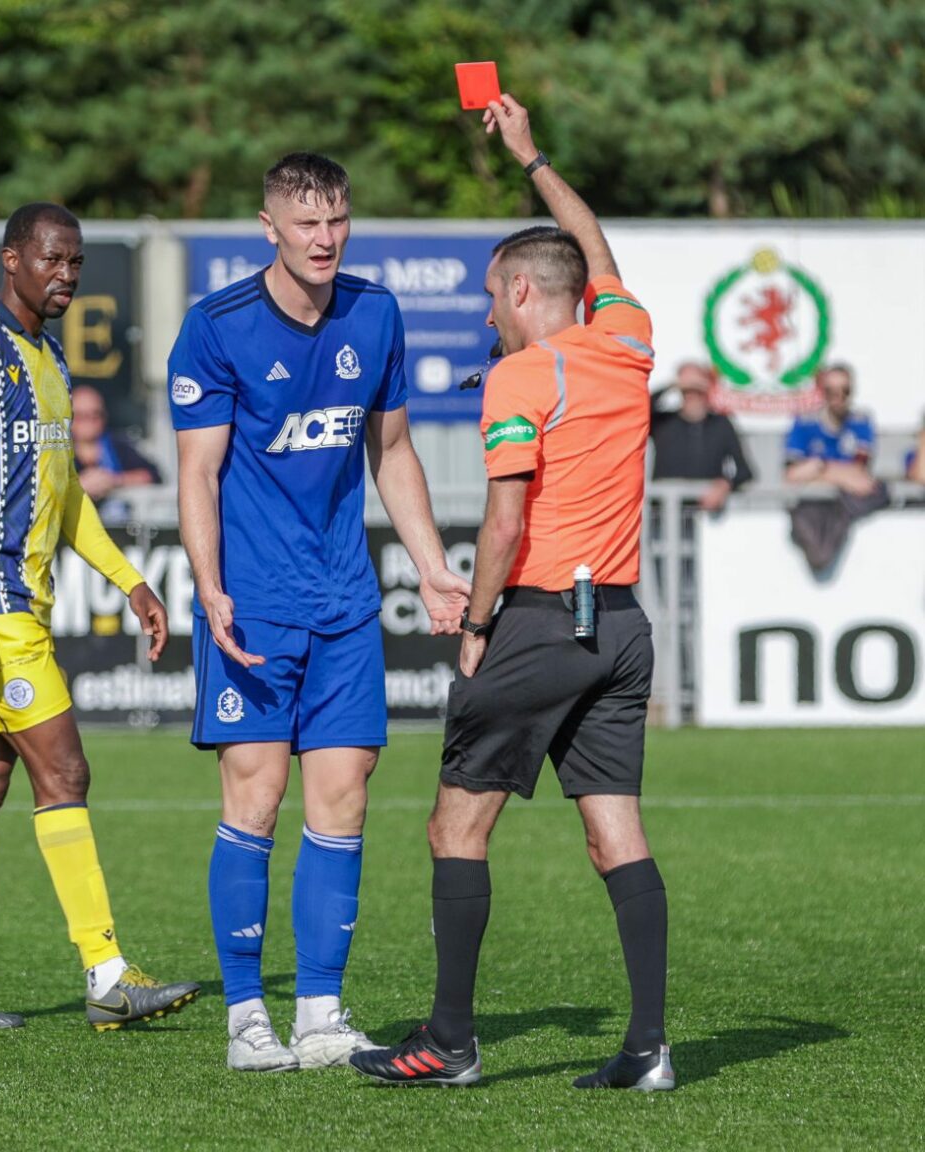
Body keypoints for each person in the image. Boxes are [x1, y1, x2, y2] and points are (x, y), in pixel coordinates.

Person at [350, 95, 674, 1091]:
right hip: (619, 621)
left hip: (540, 620)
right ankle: (648, 1051)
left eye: (494, 296)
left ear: (523, 295)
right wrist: (530, 159)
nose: (489, 313)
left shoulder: (523, 378)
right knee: (612, 829)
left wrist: (476, 622)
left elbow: (500, 521)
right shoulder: (627, 340)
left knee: (456, 825)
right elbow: (591, 246)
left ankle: (448, 1045)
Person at [169, 153, 470, 1072]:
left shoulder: (374, 312)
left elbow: (394, 451)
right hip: (252, 610)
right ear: (269, 228)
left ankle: (321, 1014)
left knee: (344, 800)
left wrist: (432, 567)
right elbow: (199, 473)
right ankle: (246, 1017)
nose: (325, 239)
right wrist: (210, 586)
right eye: (306, 224)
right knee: (254, 800)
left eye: (336, 220)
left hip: (344, 605)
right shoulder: (215, 326)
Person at [0, 202, 199, 1032]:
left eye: (76, 264)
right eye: (52, 260)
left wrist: (131, 581)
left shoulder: (49, 357)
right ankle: (107, 971)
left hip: (8, 596)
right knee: (63, 771)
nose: (65, 276)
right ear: (12, 262)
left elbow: (65, 503)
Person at [650, 361, 754, 510]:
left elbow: (745, 472)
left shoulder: (720, 424)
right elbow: (641, 410)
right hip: (665, 516)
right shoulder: (664, 422)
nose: (692, 395)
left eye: (697, 390)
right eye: (686, 390)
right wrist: (672, 385)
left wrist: (725, 484)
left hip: (704, 517)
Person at [783, 364, 879, 497]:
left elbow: (859, 471)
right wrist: (834, 472)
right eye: (831, 391)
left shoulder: (860, 421)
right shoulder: (805, 423)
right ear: (822, 392)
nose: (838, 397)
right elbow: (792, 474)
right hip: (812, 500)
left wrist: (816, 468)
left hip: (848, 500)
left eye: (845, 390)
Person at [71, 383, 162, 518]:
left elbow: (152, 475)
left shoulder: (118, 446)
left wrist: (113, 480)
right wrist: (77, 486)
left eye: (96, 414)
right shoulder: (58, 451)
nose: (89, 421)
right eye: (81, 415)